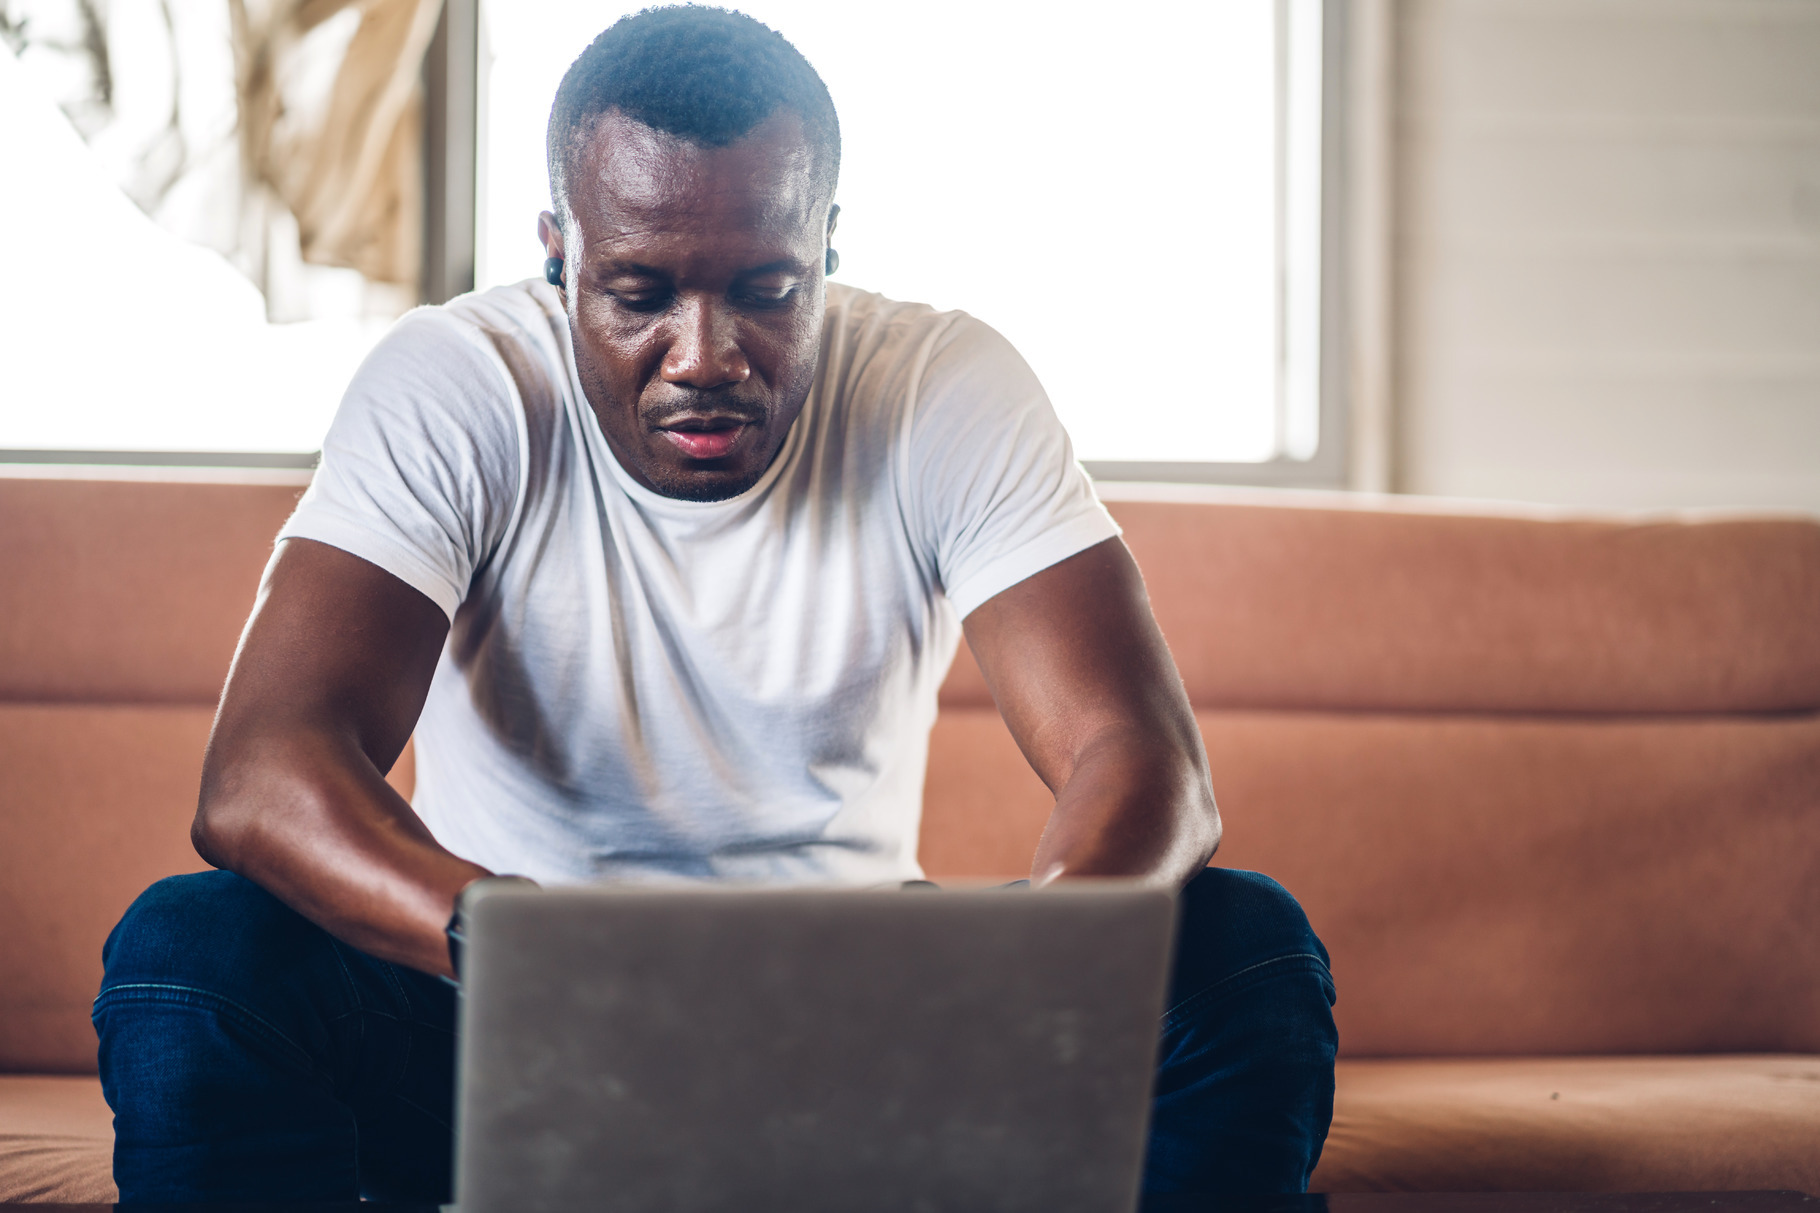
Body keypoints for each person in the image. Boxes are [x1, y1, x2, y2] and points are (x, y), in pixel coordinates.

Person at [92, 6, 1337, 1204]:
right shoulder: (459, 383)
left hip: (871, 1033)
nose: (705, 355)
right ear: (558, 255)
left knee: (1245, 950)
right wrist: (524, 952)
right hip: (513, 1022)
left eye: (765, 290)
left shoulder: (938, 384)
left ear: (826, 248)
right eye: (639, 294)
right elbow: (260, 775)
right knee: (196, 957)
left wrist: (1047, 964)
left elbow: (1138, 755)